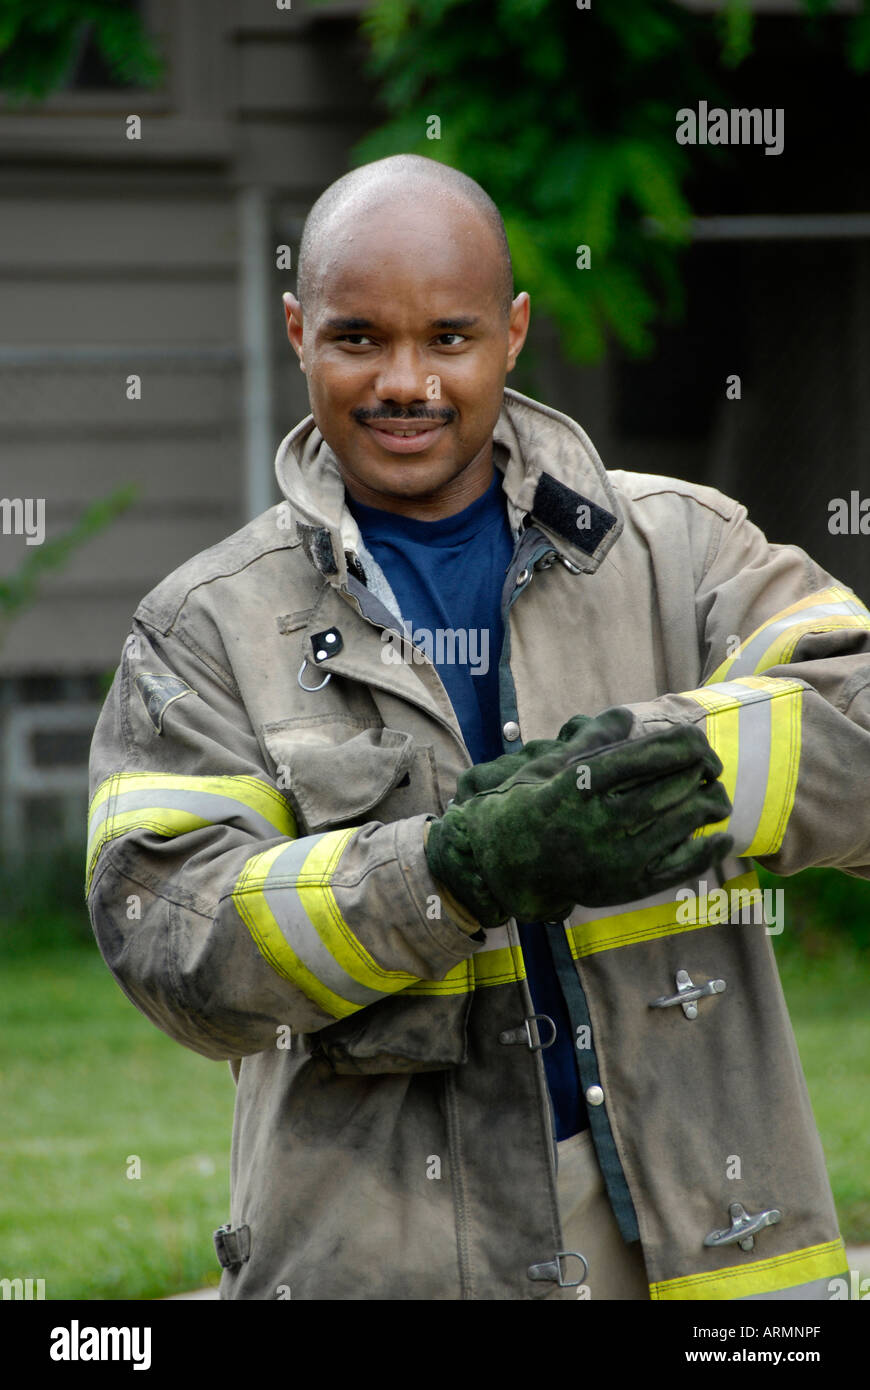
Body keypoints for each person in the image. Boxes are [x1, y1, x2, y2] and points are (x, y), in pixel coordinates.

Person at [87, 154, 869, 1301]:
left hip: (717, 1258)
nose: (407, 381)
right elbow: (174, 941)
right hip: (389, 1263)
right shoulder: (207, 627)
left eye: (449, 338)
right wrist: (450, 873)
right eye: (359, 338)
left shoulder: (685, 548)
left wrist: (668, 763)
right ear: (298, 329)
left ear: (512, 332)